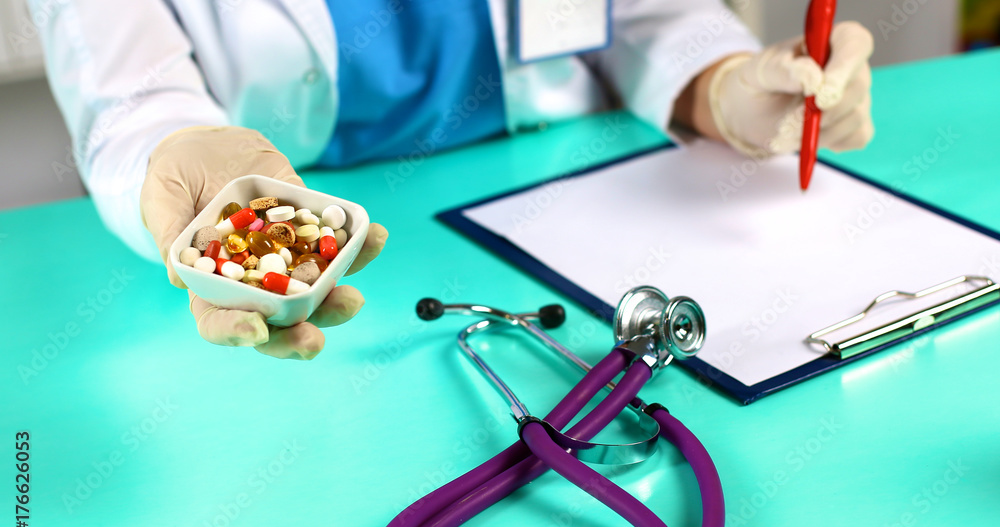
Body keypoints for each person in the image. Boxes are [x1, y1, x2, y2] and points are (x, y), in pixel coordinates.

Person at [33, 0, 874, 360]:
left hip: (563, 200)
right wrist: (178, 162)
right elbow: (129, 102)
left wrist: (722, 83)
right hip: (327, 241)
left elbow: (647, 16)